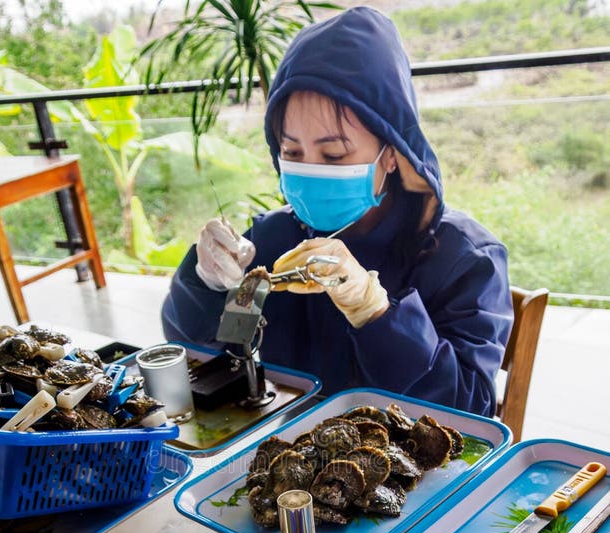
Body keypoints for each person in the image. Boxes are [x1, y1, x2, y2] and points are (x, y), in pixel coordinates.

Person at [161, 6, 513, 417]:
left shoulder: (464, 259)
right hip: (281, 453)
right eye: (292, 152)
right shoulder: (272, 240)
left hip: (401, 470)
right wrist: (205, 284)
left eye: (333, 154)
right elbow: (204, 353)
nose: (310, 169)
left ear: (392, 153)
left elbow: (469, 411)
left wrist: (375, 312)